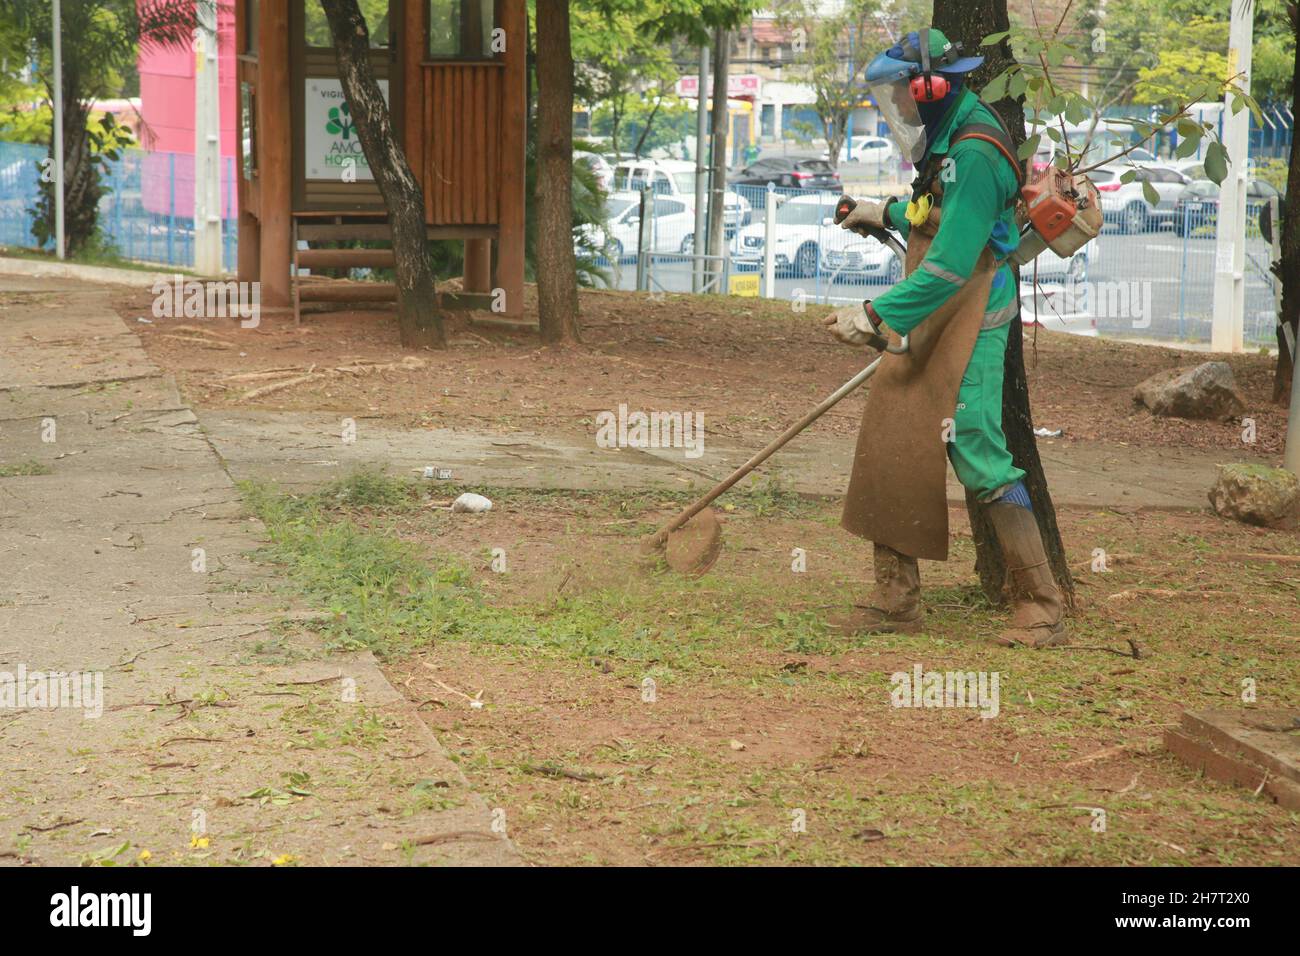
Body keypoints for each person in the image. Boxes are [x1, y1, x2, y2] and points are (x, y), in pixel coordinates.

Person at [822, 27, 1065, 648]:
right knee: (895, 426)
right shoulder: (949, 136)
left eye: (900, 91)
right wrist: (885, 213)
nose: (896, 103)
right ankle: (895, 598)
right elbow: (937, 212)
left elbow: (954, 264)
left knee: (976, 447)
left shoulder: (979, 150)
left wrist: (877, 316)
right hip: (933, 308)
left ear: (931, 85)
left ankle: (1042, 604)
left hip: (972, 312)